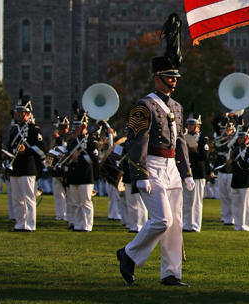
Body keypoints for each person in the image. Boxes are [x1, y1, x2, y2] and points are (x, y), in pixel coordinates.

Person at [116, 14, 194, 287]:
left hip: (171, 167)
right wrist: (140, 173)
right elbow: (136, 141)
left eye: (175, 77)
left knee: (175, 226)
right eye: (168, 77)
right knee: (161, 220)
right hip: (151, 165)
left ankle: (171, 273)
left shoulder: (177, 106)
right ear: (157, 78)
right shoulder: (144, 105)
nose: (173, 81)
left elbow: (180, 140)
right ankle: (128, 254)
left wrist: (186, 171)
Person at [2, 91, 47, 232]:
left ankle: (30, 225)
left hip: (28, 168)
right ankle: (20, 223)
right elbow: (10, 146)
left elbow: (41, 150)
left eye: (21, 112)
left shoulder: (34, 129)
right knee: (17, 198)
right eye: (18, 112)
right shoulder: (14, 129)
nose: (18, 115)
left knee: (28, 198)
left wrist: (25, 151)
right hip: (15, 168)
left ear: (28, 114)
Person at [65, 103, 99, 232]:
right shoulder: (73, 141)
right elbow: (67, 157)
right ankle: (77, 224)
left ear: (84, 126)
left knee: (85, 202)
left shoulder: (90, 141)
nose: (75, 129)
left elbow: (94, 159)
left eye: (77, 126)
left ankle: (87, 225)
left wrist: (79, 157)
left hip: (86, 175)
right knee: (75, 202)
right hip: (74, 174)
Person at [183, 111, 208, 232]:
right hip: (187, 172)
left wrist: (192, 151)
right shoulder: (183, 137)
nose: (189, 127)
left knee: (196, 201)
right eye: (188, 125)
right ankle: (186, 224)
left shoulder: (202, 139)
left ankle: (195, 225)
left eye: (192, 125)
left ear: (198, 126)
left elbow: (204, 157)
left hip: (198, 173)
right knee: (186, 200)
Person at [230, 127, 249, 231]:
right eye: (239, 137)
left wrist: (233, 163)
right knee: (236, 204)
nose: (240, 139)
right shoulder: (236, 149)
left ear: (247, 137)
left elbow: (247, 164)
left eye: (242, 137)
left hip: (246, 180)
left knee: (246, 205)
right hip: (236, 179)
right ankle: (237, 225)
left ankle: (245, 225)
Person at [49, 112, 71, 222]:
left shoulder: (69, 138)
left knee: (68, 194)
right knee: (58, 194)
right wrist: (53, 139)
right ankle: (60, 214)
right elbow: (51, 152)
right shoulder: (56, 138)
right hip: (56, 168)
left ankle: (68, 214)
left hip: (66, 168)